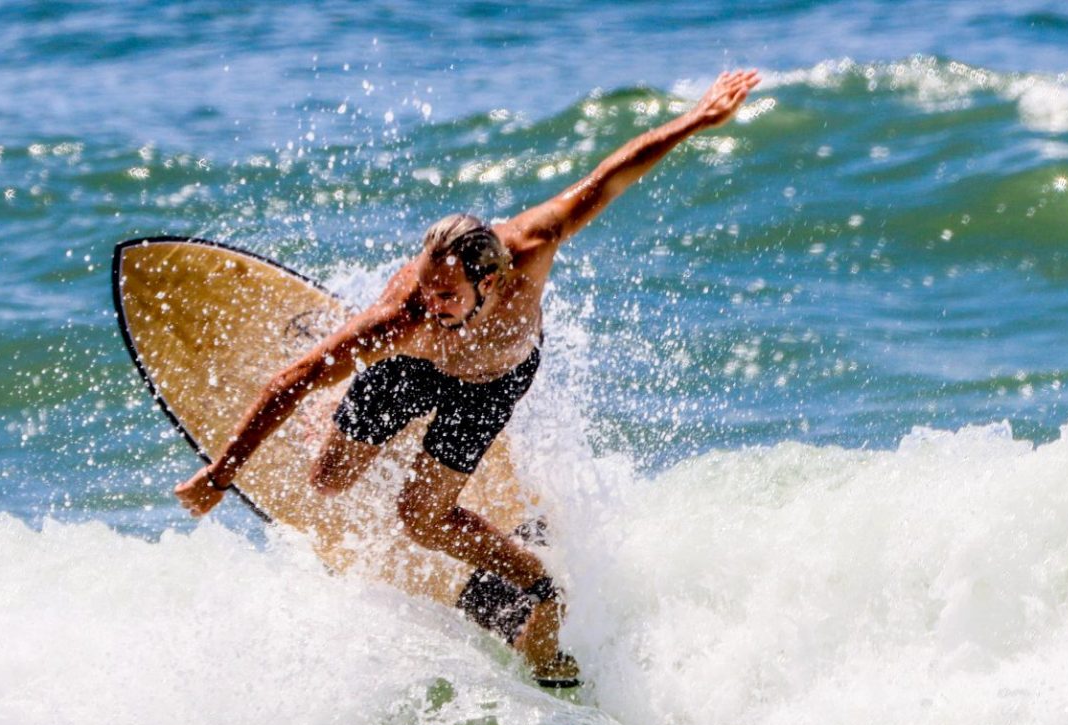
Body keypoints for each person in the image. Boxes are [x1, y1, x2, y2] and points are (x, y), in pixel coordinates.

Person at [175, 68, 762, 687]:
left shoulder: (533, 245)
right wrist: (222, 472)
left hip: (490, 384)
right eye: (427, 287)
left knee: (421, 518)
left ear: (492, 279)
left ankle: (537, 584)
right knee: (328, 481)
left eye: (448, 295)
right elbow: (290, 380)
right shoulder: (403, 321)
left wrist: (696, 119)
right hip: (408, 370)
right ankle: (350, 411)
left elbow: (612, 176)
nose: (432, 303)